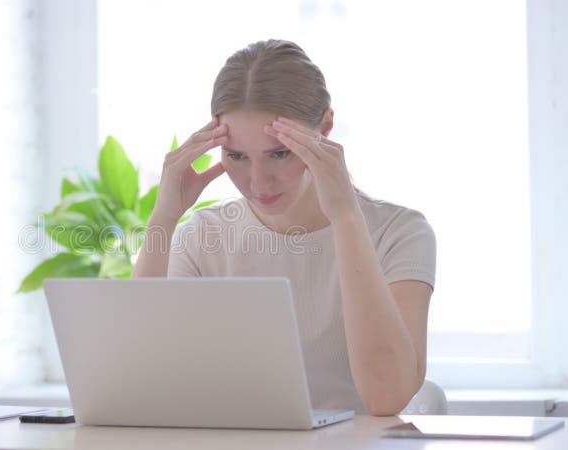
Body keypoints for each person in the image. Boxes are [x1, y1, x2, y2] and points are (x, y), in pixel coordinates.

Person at [131, 39, 436, 416]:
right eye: (237, 156)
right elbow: (138, 383)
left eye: (279, 153)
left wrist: (345, 219)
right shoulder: (203, 236)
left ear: (325, 128)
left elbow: (387, 396)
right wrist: (164, 218)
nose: (258, 182)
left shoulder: (399, 232)